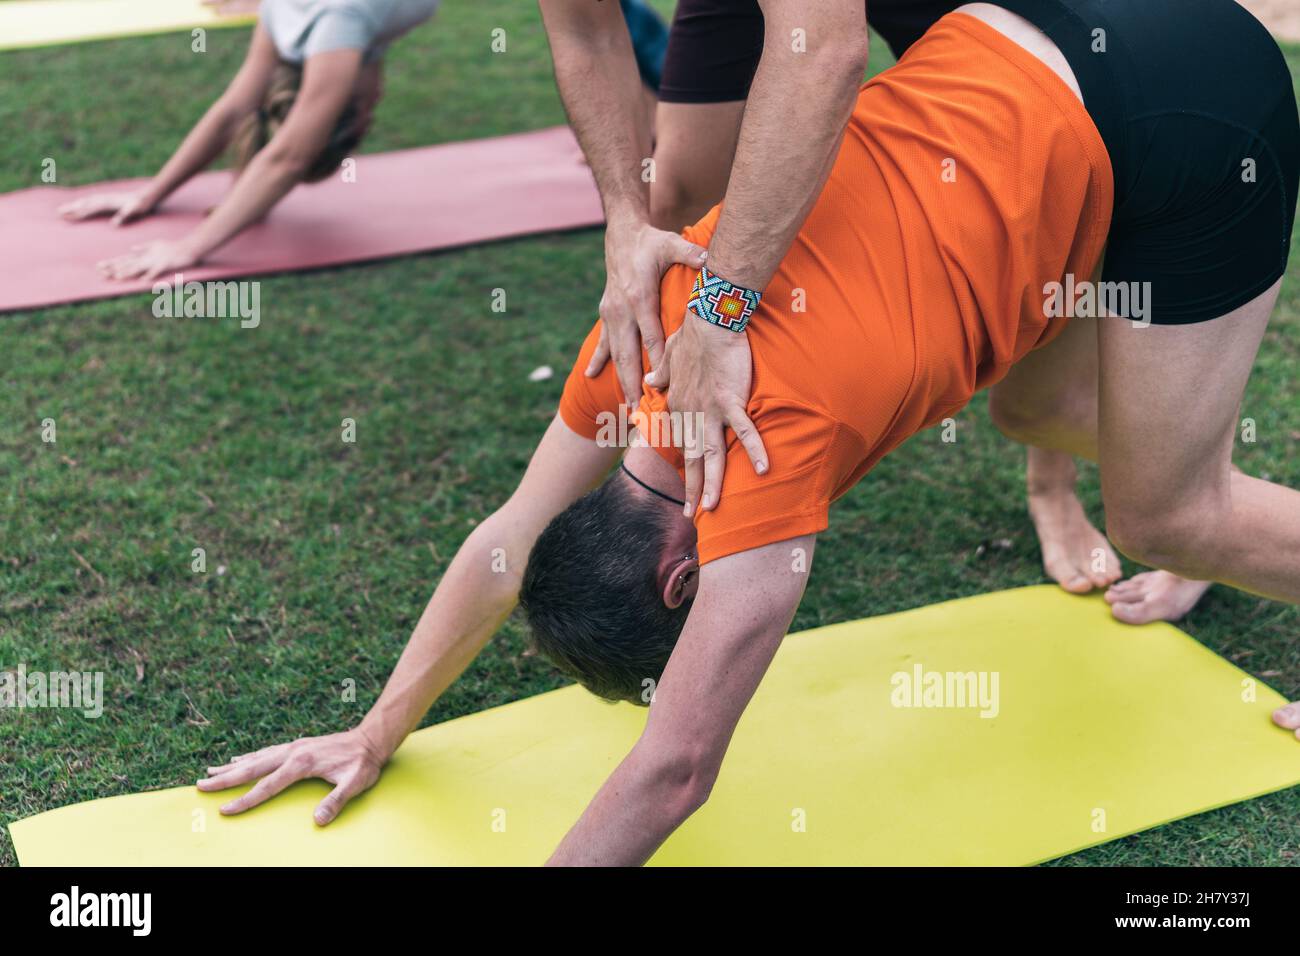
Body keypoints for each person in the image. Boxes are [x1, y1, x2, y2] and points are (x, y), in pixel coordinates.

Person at [198, 2, 1299, 865]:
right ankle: (1196, 457)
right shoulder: (631, 351)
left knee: (1168, 516)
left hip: (1188, 115)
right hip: (1034, 31)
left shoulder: (757, 481)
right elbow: (508, 536)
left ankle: (1203, 493)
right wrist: (375, 727)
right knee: (1036, 410)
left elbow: (674, 767)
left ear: (682, 582)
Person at [56, 0, 440, 281]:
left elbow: (252, 125)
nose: (369, 119)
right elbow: (278, 150)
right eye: (361, 125)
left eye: (359, 127)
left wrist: (163, 212)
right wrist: (163, 213)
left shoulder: (316, 20)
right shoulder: (336, 21)